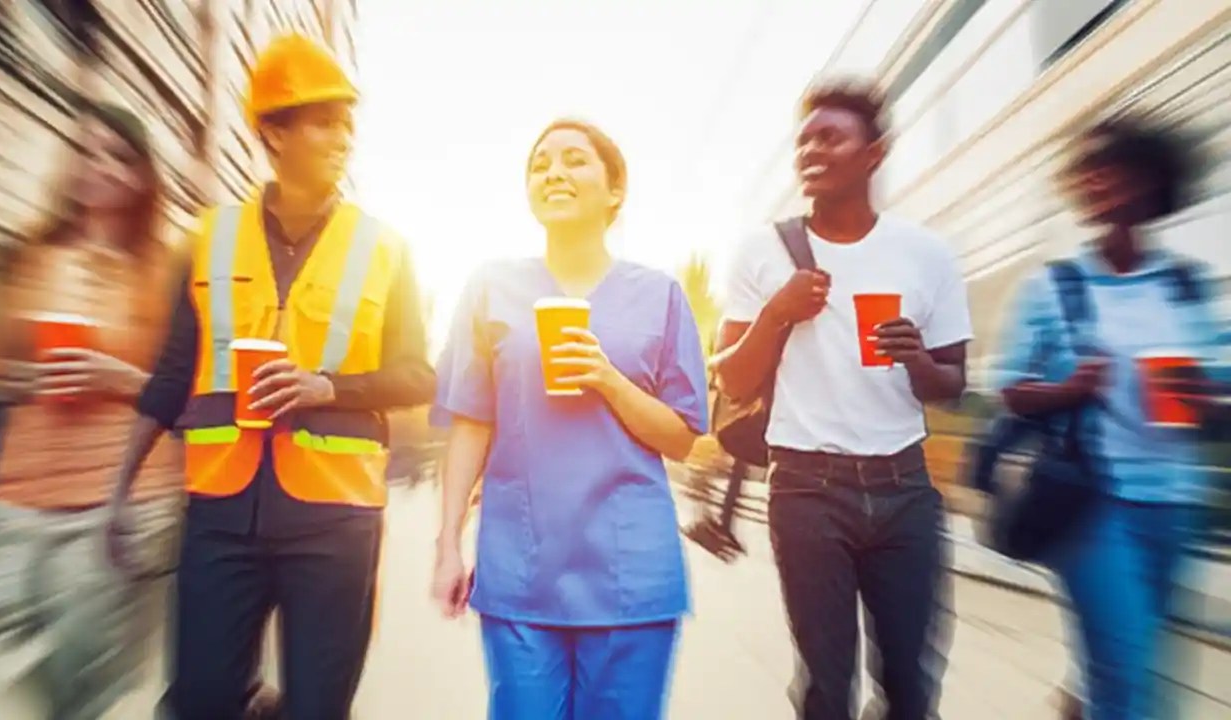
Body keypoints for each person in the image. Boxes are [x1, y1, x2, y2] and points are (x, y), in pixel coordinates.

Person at [104, 34, 435, 718]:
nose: (342, 136)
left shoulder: (386, 248)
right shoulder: (208, 238)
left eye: (346, 121)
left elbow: (416, 375)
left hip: (336, 523)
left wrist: (329, 388)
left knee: (318, 707)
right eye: (322, 120)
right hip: (221, 516)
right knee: (200, 700)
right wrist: (118, 492)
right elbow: (171, 376)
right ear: (272, 132)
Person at [431, 118, 709, 720]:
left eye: (574, 160)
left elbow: (683, 438)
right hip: (519, 568)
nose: (553, 171)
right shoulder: (489, 288)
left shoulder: (660, 295)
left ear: (615, 191)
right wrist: (448, 545)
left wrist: (609, 379)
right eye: (540, 163)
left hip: (630, 574)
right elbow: (470, 424)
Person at [714, 80, 970, 719]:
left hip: (904, 487)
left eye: (830, 137)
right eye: (803, 139)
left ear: (874, 153)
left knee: (912, 688)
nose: (811, 150)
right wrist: (776, 312)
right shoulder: (762, 251)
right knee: (827, 687)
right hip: (806, 488)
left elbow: (953, 385)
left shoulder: (925, 254)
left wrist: (917, 359)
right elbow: (730, 380)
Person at [0, 100, 182, 719]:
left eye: (116, 155)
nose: (97, 166)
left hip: (121, 502)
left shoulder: (166, 270)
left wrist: (117, 375)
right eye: (84, 150)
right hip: (15, 497)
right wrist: (20, 376)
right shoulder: (32, 256)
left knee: (80, 691)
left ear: (141, 177)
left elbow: (184, 390)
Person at [993, 117, 1229, 720]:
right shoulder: (1054, 287)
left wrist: (1206, 402)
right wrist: (1068, 388)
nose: (1098, 179)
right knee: (1127, 680)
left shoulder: (1182, 285)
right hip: (1093, 502)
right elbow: (1010, 391)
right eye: (1087, 170)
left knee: (1151, 675)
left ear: (1151, 183)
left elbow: (1215, 388)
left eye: (1112, 166)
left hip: (1176, 502)